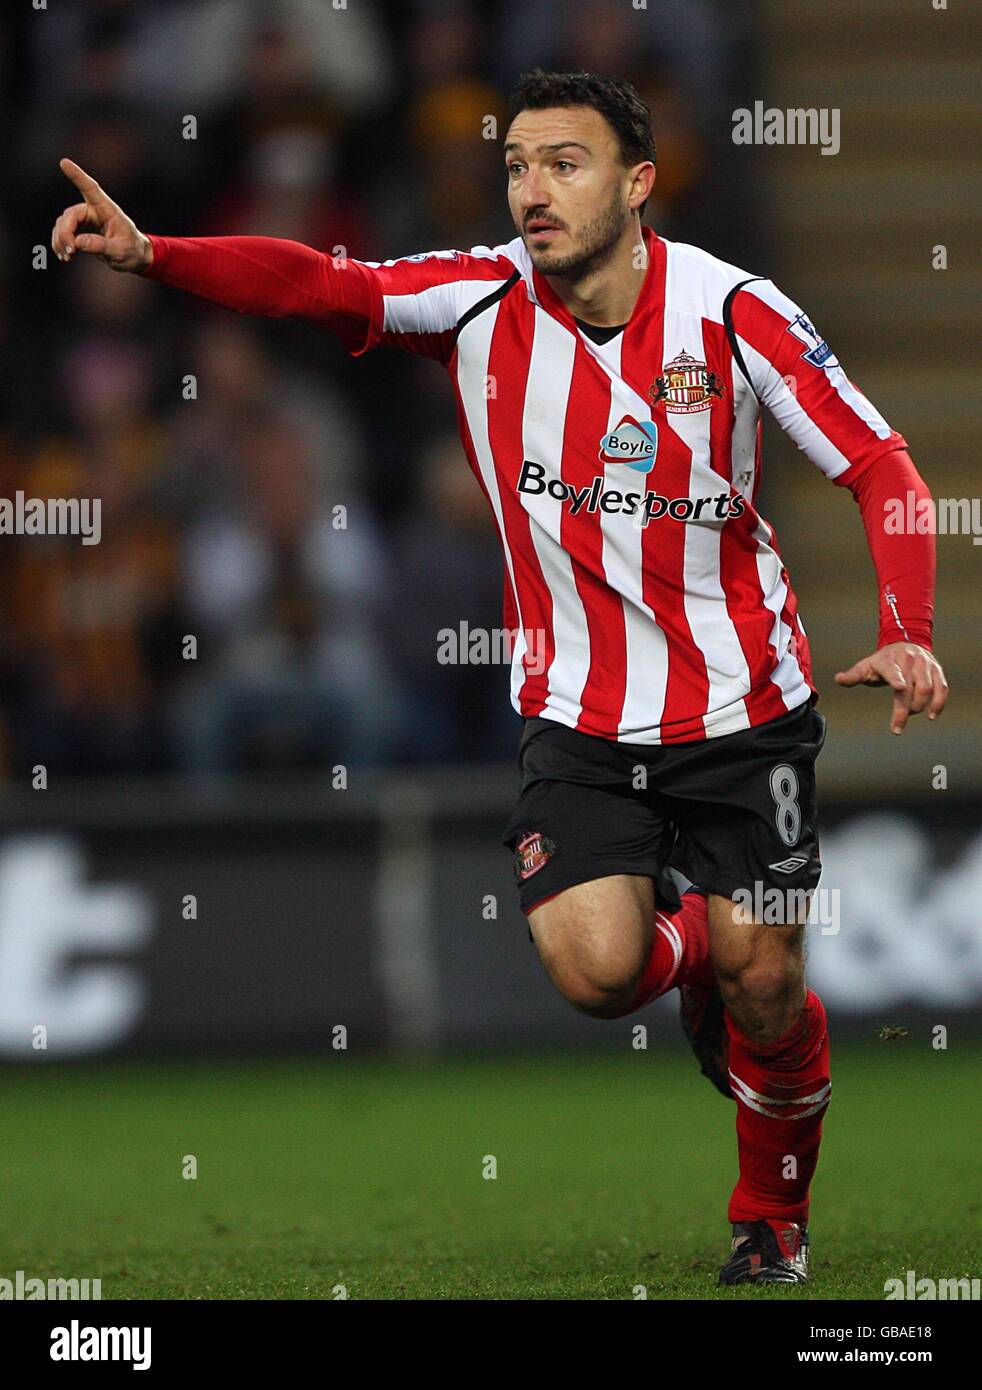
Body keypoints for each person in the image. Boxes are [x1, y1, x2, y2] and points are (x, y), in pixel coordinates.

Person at [51, 67, 947, 1286]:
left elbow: (881, 467)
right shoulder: (475, 301)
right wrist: (156, 252)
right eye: (518, 164)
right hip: (575, 711)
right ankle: (697, 956)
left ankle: (768, 1219)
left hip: (743, 705)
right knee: (596, 973)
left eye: (564, 163)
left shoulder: (737, 315)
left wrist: (907, 623)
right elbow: (317, 283)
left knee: (772, 986)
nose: (532, 189)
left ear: (638, 184)